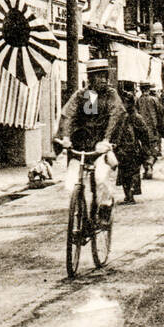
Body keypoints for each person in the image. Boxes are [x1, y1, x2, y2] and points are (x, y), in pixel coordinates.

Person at [54, 59, 126, 224]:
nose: (101, 79)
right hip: (81, 146)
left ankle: (106, 206)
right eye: (97, 76)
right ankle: (80, 212)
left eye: (104, 75)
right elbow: (68, 115)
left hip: (101, 145)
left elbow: (116, 116)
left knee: (101, 178)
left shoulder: (111, 95)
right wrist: (65, 136)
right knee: (71, 184)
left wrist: (107, 140)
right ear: (90, 79)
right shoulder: (86, 95)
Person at [115, 90, 153, 204]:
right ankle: (127, 195)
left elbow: (144, 133)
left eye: (126, 103)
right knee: (124, 173)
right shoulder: (120, 117)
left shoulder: (136, 117)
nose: (124, 105)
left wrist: (146, 149)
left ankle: (130, 196)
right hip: (121, 149)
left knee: (132, 173)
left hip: (133, 149)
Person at [137, 83, 164, 177]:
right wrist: (162, 130)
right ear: (149, 89)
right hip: (153, 129)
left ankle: (147, 168)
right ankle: (149, 166)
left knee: (144, 150)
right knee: (154, 150)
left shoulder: (138, 100)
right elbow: (161, 115)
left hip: (141, 129)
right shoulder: (154, 100)